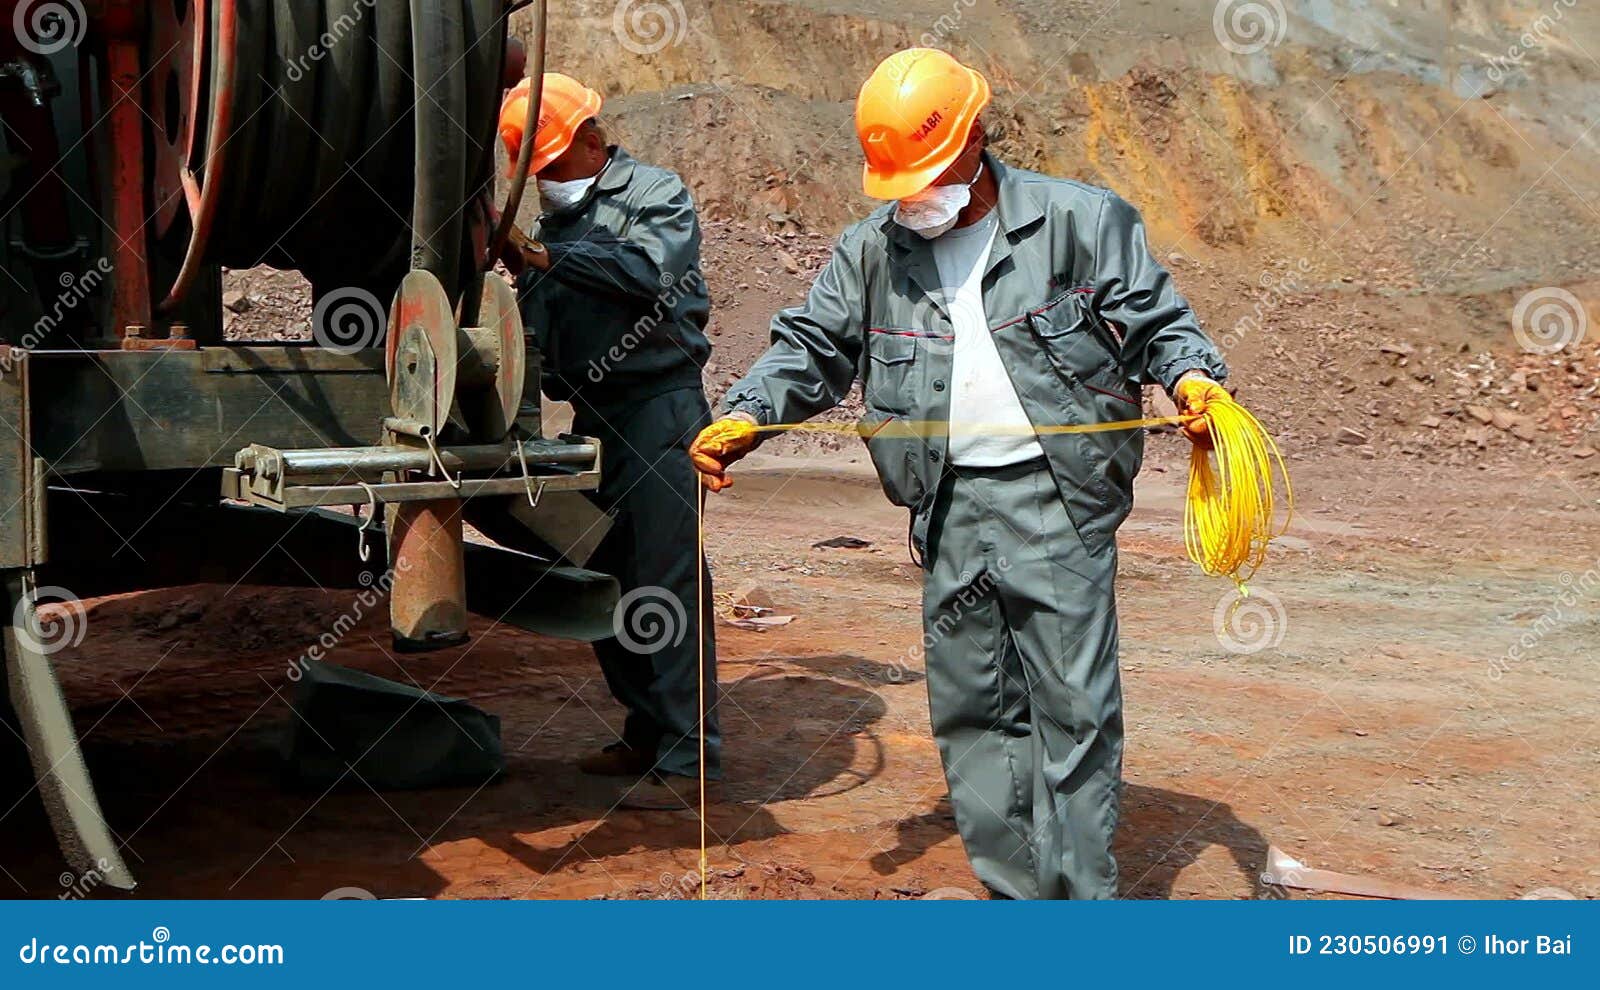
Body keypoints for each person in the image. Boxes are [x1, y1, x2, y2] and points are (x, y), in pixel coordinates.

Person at [689, 49, 1236, 897]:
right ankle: (1013, 895)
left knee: (1074, 708)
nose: (914, 197)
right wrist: (747, 414)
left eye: (929, 174)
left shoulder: (1079, 221)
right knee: (973, 706)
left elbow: (1157, 320)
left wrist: (1193, 379)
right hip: (945, 508)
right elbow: (813, 346)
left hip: (1057, 499)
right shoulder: (873, 251)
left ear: (975, 137)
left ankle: (1078, 905)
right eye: (899, 183)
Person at [499, 73, 718, 810]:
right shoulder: (552, 228)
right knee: (604, 574)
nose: (546, 180)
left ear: (592, 140)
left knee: (665, 579)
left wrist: (543, 258)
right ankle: (645, 730)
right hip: (596, 418)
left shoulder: (654, 195)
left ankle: (690, 760)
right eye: (536, 170)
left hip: (660, 410)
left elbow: (647, 274)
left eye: (554, 163)